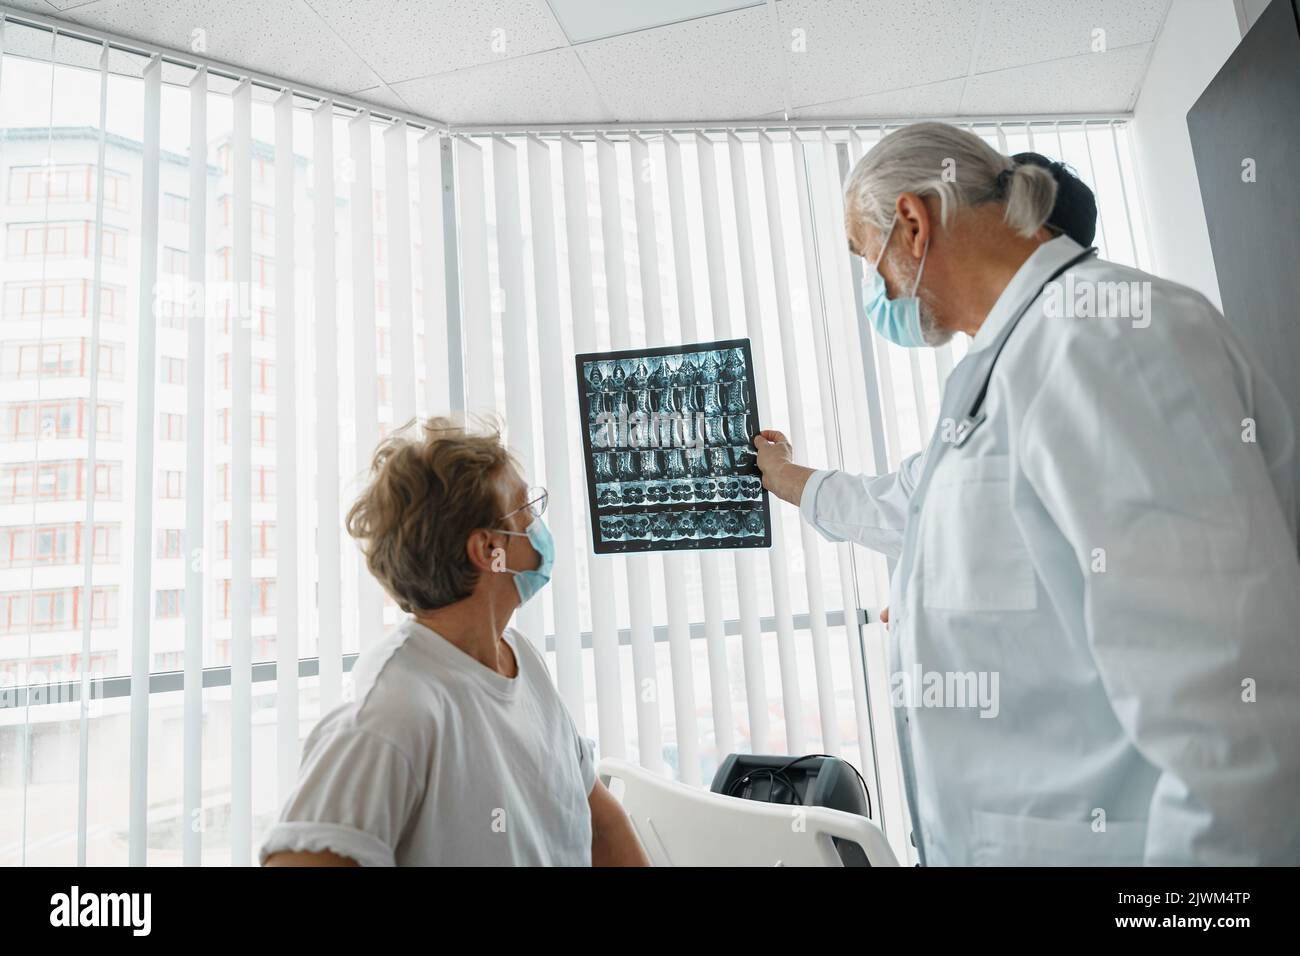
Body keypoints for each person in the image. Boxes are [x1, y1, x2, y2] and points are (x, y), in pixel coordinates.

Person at [754, 121, 1300, 865]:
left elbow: (1234, 720)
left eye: (865, 256)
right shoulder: (1003, 374)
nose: (874, 289)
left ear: (912, 225)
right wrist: (790, 480)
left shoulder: (1104, 341)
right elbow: (908, 509)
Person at [260, 417, 649, 866]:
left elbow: (600, 822)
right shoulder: (395, 709)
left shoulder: (521, 659)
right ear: (488, 550)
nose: (538, 525)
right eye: (526, 509)